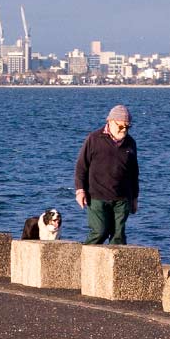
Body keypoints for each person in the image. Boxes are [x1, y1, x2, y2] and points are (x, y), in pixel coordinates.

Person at [73, 104, 139, 245]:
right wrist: (80, 190)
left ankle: (116, 266)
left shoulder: (130, 143)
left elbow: (134, 173)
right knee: (100, 231)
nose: (124, 130)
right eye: (121, 126)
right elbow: (81, 166)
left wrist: (134, 198)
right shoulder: (94, 139)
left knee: (118, 236)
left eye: (127, 127)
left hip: (122, 198)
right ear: (110, 121)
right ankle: (84, 261)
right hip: (97, 196)